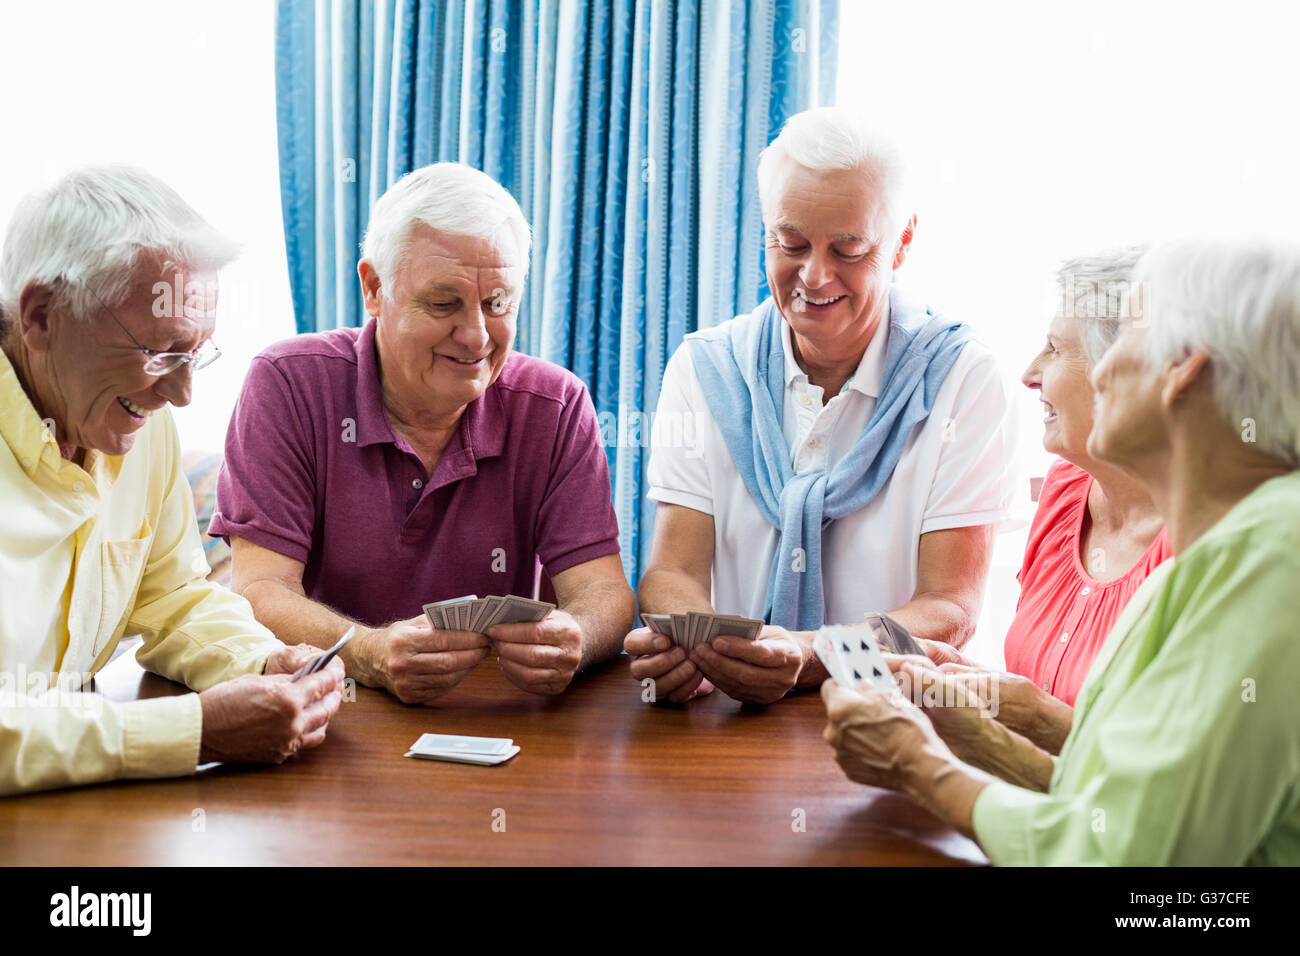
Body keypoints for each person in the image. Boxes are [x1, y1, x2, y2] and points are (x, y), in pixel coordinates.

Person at [822, 238, 1300, 865]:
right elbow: (1123, 808)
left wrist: (918, 767)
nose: (1102, 371)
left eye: (1123, 336)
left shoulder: (1274, 559)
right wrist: (980, 735)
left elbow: (1127, 868)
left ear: (1183, 366)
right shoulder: (1224, 553)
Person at [625, 106, 1019, 705]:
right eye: (791, 243)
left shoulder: (965, 379)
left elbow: (950, 609)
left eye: (849, 248)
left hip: (909, 715)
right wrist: (695, 644)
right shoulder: (703, 367)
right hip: (739, 719)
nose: (814, 274)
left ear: (901, 243)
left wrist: (817, 657)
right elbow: (672, 572)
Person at [211, 162, 635, 704]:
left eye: (497, 303)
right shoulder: (288, 383)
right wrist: (368, 652)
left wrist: (577, 636)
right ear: (374, 288)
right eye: (443, 304)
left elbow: (603, 592)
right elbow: (258, 590)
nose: (476, 335)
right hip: (325, 707)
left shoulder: (556, 405)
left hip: (492, 714)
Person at [0, 166, 345, 796]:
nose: (183, 395)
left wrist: (265, 660)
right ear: (42, 315)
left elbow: (170, 594)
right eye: (161, 353)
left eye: (196, 354)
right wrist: (195, 732)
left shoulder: (134, 420)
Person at [919, 248, 1172, 755]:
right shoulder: (1065, 490)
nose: (1029, 373)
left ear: (1124, 373)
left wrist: (1036, 715)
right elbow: (1040, 691)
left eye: (1054, 349)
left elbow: (1182, 782)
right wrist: (962, 678)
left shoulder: (1207, 544)